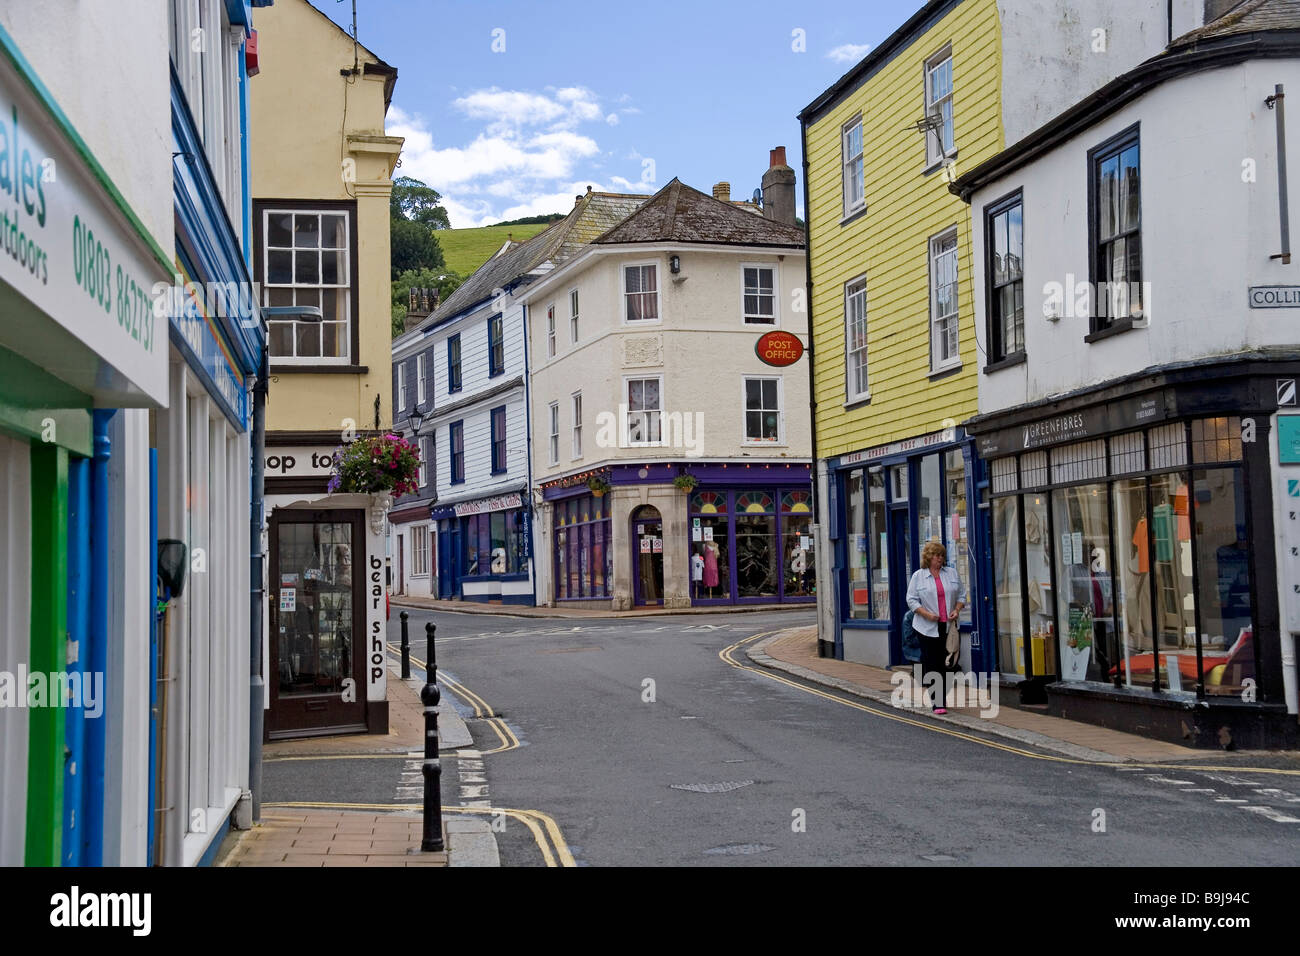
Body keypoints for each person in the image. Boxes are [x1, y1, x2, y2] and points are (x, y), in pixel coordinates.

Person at [906, 540, 967, 714]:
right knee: (933, 663)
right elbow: (911, 600)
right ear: (928, 557)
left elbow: (962, 595)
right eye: (936, 555)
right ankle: (937, 701)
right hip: (926, 627)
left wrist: (956, 609)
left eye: (941, 555)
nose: (939, 558)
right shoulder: (918, 576)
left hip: (950, 627)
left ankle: (943, 694)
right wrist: (926, 614)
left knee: (950, 664)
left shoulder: (952, 573)